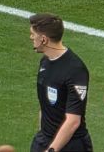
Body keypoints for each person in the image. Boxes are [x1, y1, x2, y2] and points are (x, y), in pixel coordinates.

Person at [28, 12, 92, 152]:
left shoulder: (75, 70)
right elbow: (45, 105)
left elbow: (73, 121)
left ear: (43, 39)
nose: (31, 37)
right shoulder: (45, 62)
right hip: (45, 140)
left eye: (33, 34)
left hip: (71, 146)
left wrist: (51, 150)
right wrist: (42, 135)